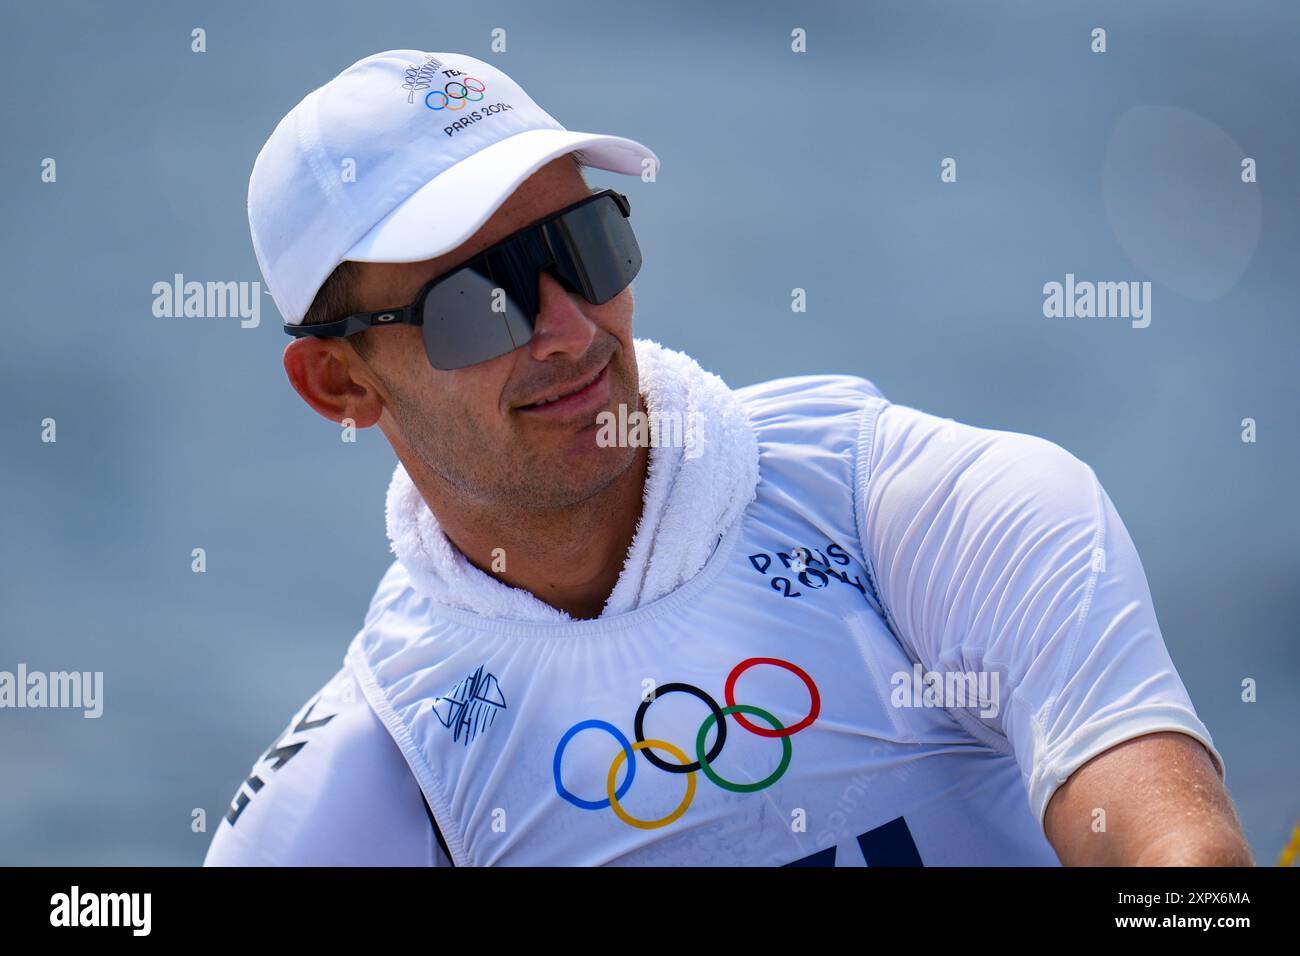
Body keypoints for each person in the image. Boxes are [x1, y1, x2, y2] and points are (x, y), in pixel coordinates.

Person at [205, 49, 1251, 867]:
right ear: (339, 385)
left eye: (582, 249)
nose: (568, 327)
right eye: (480, 302)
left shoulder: (917, 509)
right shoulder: (374, 771)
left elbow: (1167, 852)